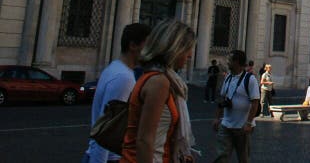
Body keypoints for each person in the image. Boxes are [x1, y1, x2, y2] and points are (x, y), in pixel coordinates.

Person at [121, 19, 197, 163]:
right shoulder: (159, 82)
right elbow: (144, 140)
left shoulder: (158, 77)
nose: (190, 55)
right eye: (187, 49)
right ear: (174, 48)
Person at [84, 23, 151, 163]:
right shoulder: (123, 78)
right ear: (133, 45)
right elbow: (106, 130)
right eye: (147, 46)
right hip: (109, 158)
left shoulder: (115, 68)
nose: (150, 52)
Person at [213, 50, 260, 163]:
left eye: (230, 60)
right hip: (226, 125)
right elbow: (222, 98)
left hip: (242, 127)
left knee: (243, 158)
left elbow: (255, 102)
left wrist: (249, 123)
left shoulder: (250, 79)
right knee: (221, 156)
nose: (227, 62)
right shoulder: (228, 77)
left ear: (237, 62)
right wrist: (217, 117)